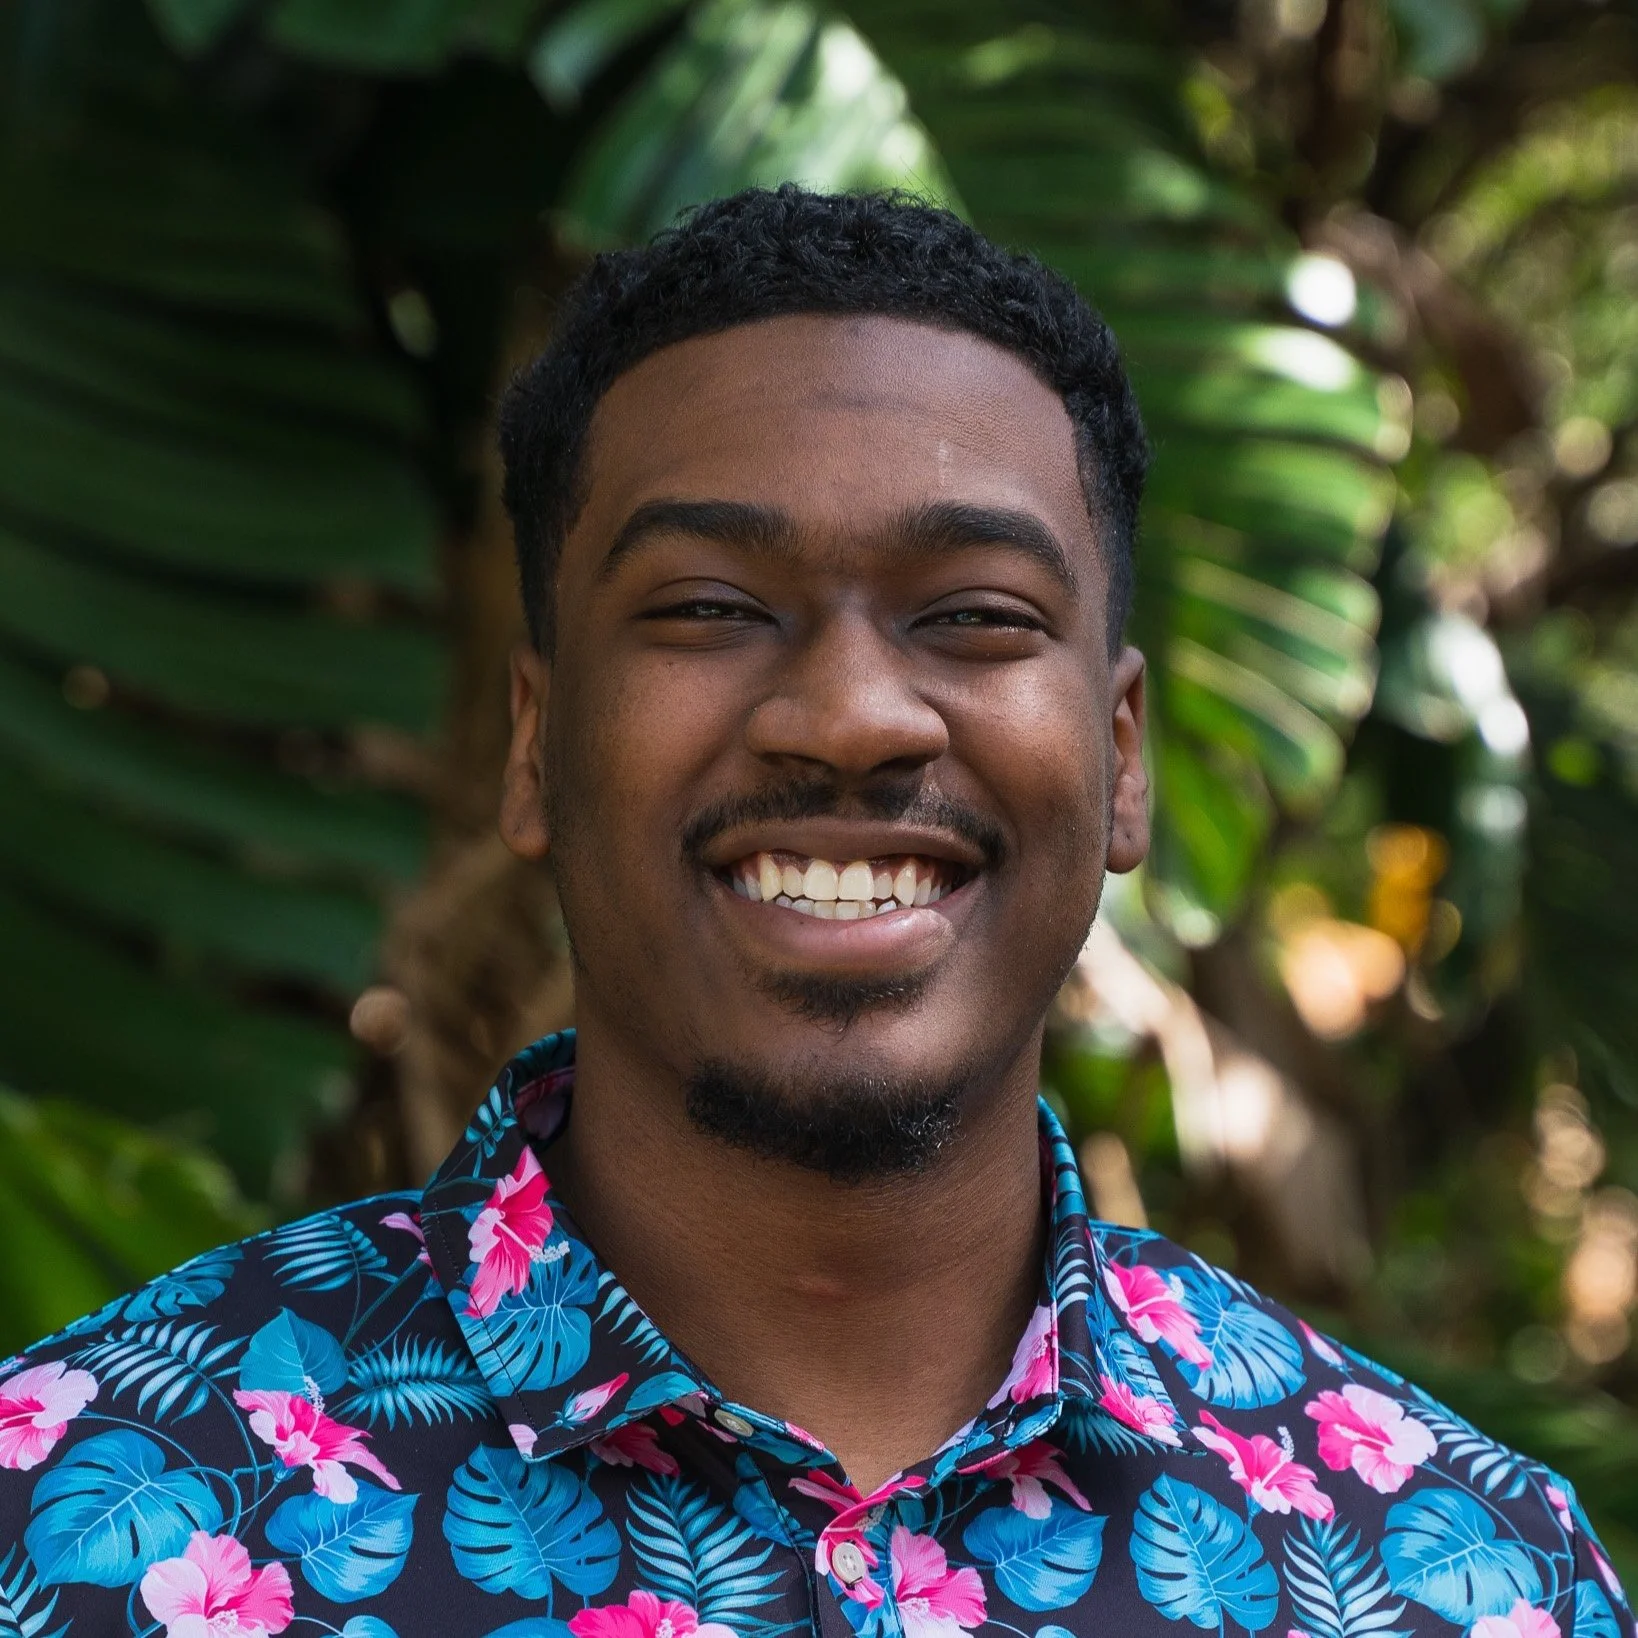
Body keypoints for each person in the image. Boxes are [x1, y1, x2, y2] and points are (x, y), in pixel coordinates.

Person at [0, 186, 1626, 1638]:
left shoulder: (1456, 1578)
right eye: (709, 607)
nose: (849, 715)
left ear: (1119, 758)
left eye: (975, 616)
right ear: (531, 743)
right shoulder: (85, 1531)